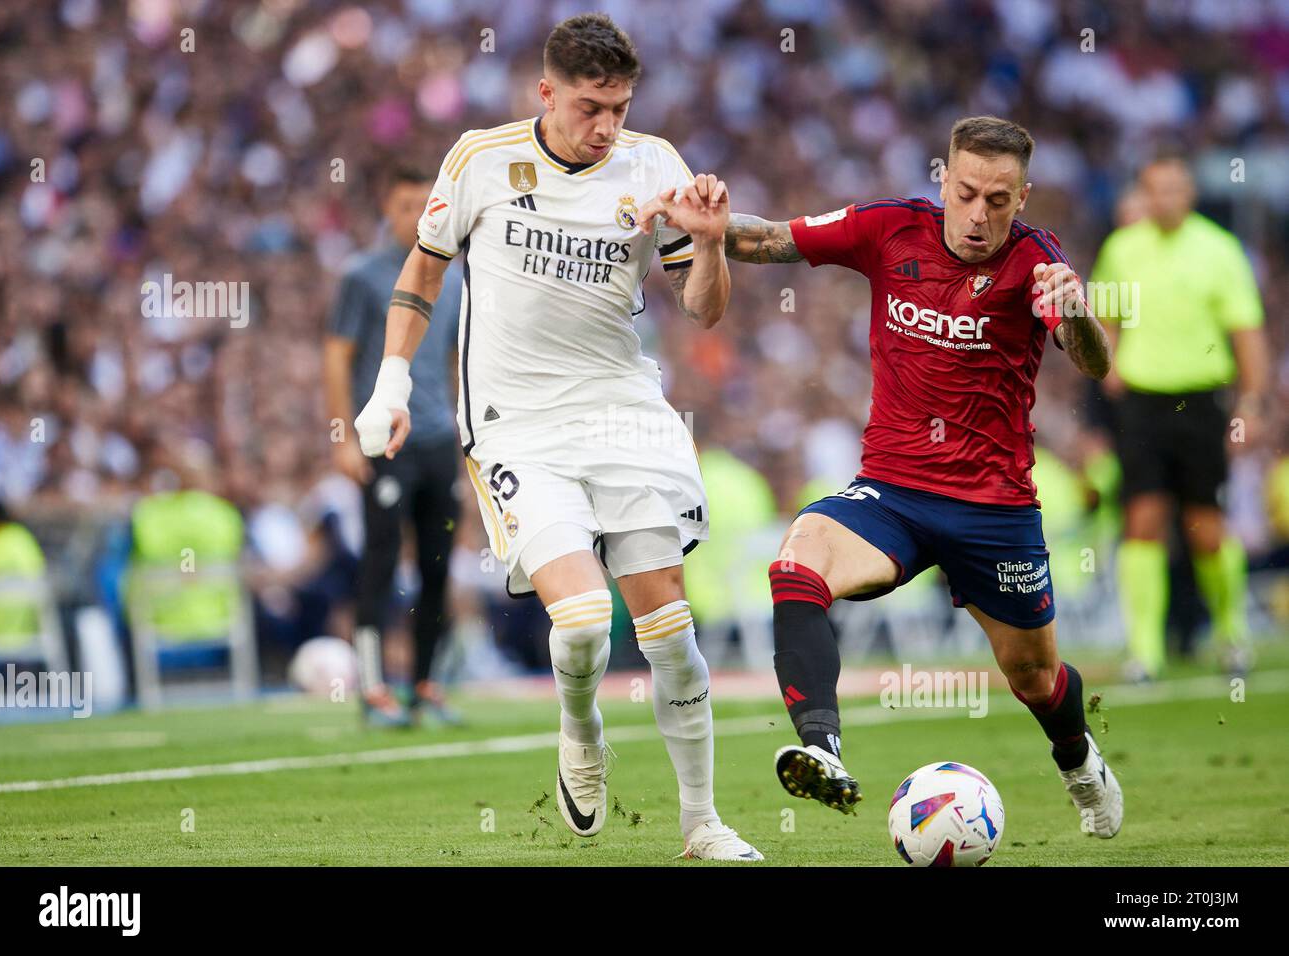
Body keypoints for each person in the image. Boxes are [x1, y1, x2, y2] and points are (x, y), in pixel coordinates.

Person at [352, 14, 760, 860]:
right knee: (580, 625)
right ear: (546, 92)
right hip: (518, 427)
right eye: (588, 107)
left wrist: (713, 246)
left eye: (618, 107)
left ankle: (701, 822)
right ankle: (581, 729)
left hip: (624, 416)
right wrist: (391, 384)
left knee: (670, 637)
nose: (605, 126)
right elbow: (421, 273)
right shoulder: (479, 160)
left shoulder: (656, 166)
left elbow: (703, 306)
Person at [647, 115, 1123, 842]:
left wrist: (1080, 311)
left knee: (1034, 678)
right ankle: (821, 747)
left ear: (1022, 197)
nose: (979, 213)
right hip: (893, 492)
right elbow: (768, 238)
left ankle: (1077, 756)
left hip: (994, 511)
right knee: (798, 555)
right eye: (968, 192)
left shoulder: (1038, 264)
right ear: (944, 179)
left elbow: (1092, 363)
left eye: (999, 200)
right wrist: (705, 226)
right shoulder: (888, 228)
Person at [1091, 151, 1269, 680]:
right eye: (1155, 188)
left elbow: (1247, 333)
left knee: (1205, 527)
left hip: (1201, 400)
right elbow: (1102, 319)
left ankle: (1232, 635)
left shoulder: (1219, 250)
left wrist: (1253, 402)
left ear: (1189, 193)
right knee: (1141, 519)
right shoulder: (1122, 248)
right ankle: (1144, 652)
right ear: (1143, 194)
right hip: (1142, 401)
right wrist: (1109, 372)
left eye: (1174, 188)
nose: (1165, 198)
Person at [325, 165, 464, 725]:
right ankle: (374, 688)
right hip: (384, 439)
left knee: (438, 564)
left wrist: (466, 430)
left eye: (424, 204)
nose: (416, 215)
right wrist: (341, 436)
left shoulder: (453, 277)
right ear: (388, 207)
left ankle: (426, 684)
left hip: (437, 439)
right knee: (380, 564)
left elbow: (455, 357)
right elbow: (337, 355)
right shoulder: (362, 275)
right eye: (405, 204)